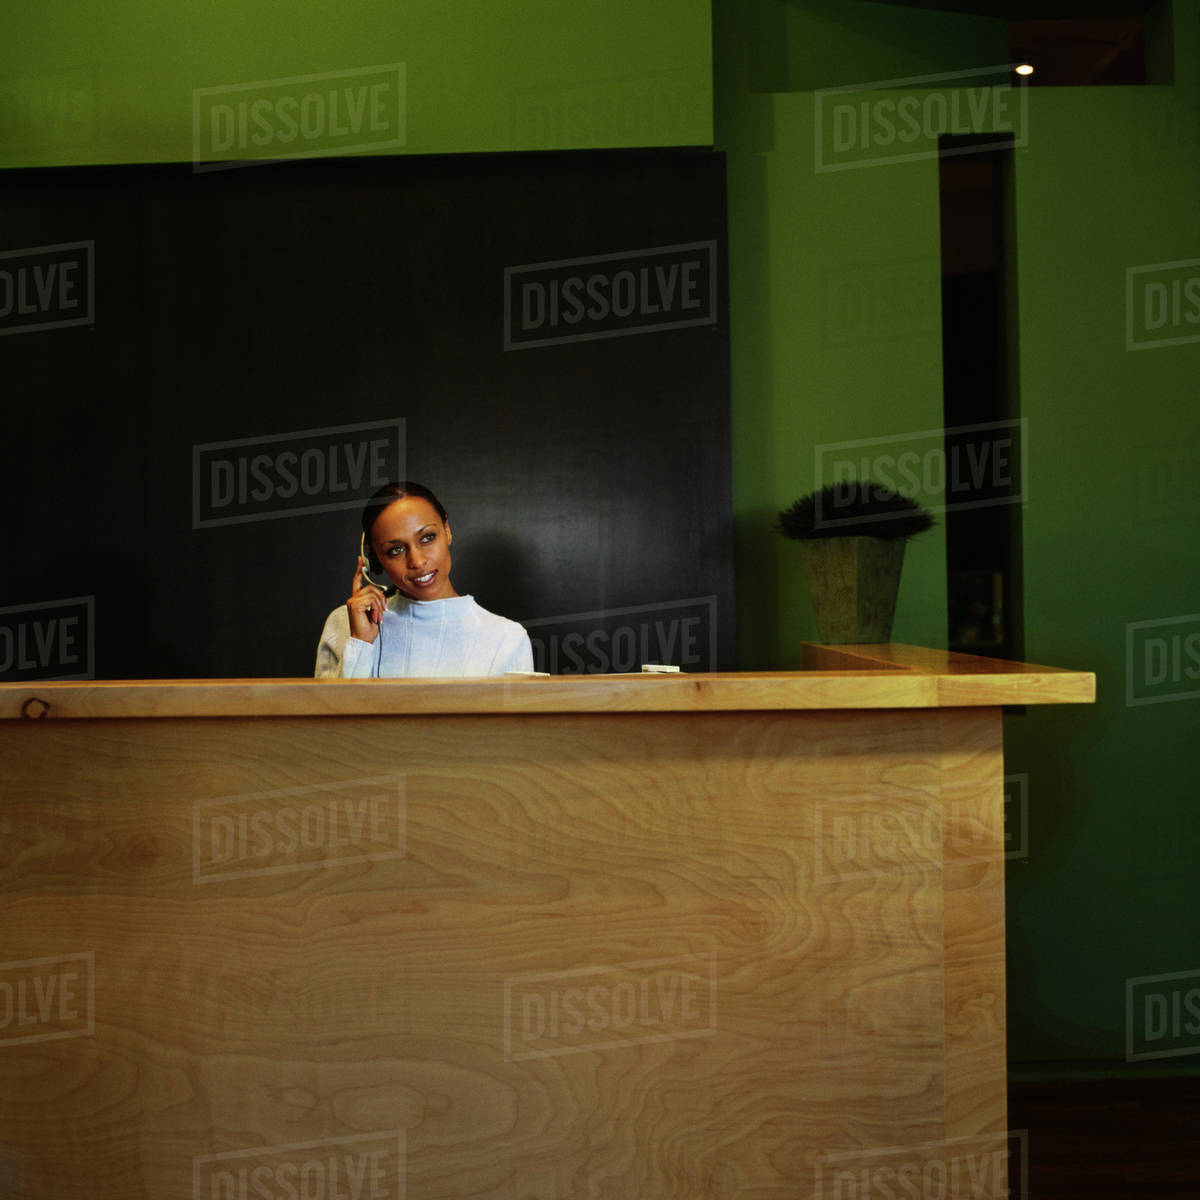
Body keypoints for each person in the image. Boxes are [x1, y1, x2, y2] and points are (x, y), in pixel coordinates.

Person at [314, 481, 534, 678]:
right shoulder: (344, 624)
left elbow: (516, 724)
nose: (417, 562)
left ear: (447, 530)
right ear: (373, 558)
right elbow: (326, 723)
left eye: (427, 538)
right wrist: (360, 644)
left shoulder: (508, 639)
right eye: (396, 550)